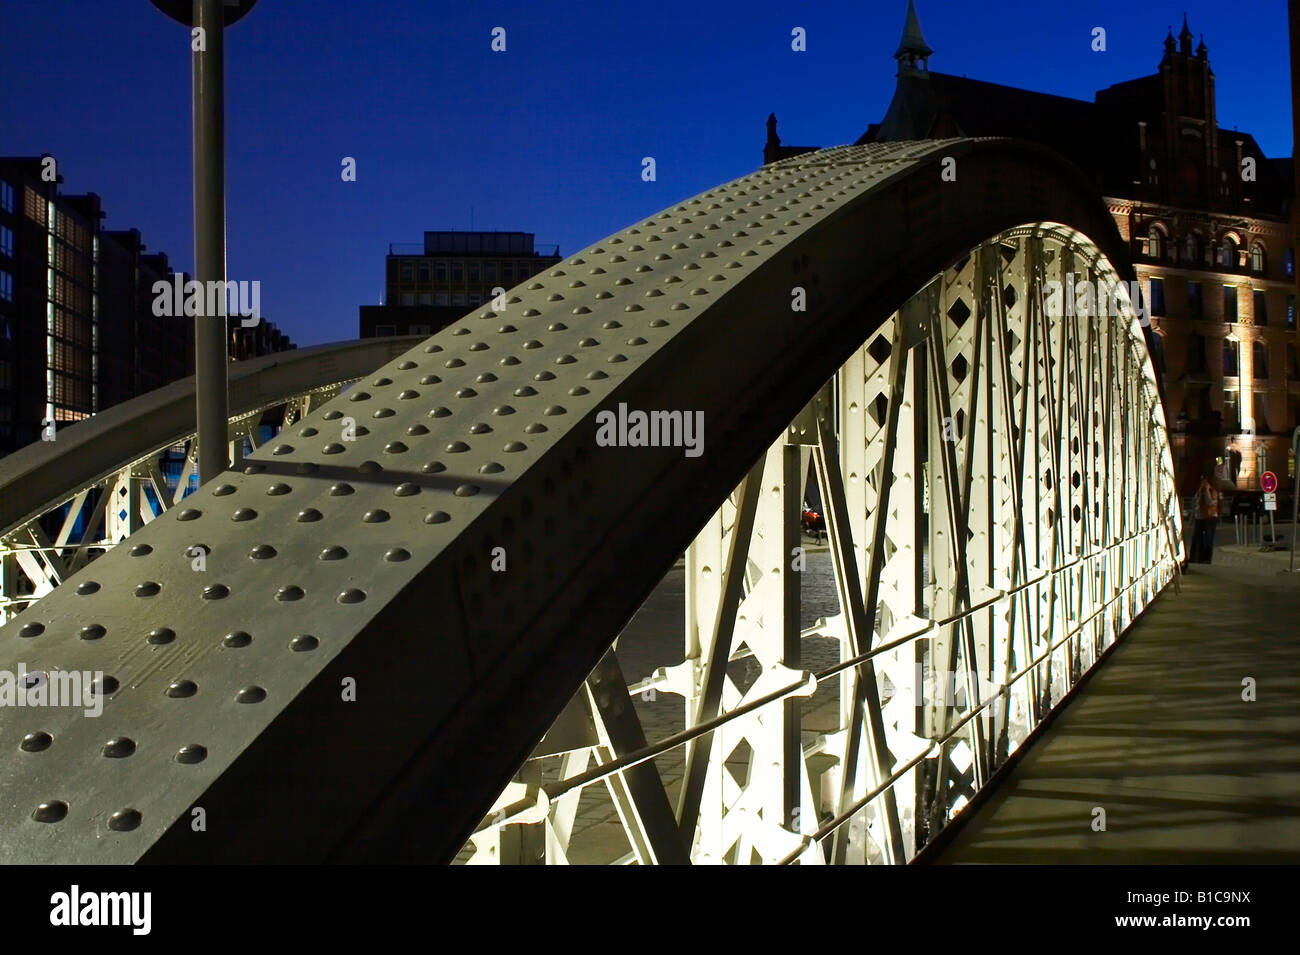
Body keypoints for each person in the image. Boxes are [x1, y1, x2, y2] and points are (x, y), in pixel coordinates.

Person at [1192, 474, 1220, 563]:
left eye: (1204, 482)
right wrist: (1200, 492)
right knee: (1197, 538)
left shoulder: (1213, 491)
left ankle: (1207, 559)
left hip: (1210, 517)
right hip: (1200, 518)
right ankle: (1196, 558)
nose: (1203, 483)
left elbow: (1209, 502)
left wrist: (1207, 490)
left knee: (1208, 539)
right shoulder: (1200, 491)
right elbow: (1195, 503)